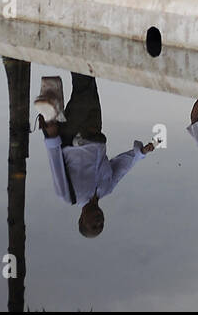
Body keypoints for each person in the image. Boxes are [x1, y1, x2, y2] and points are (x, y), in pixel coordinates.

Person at [37, 73, 154, 237]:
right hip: (96, 130)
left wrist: (51, 135)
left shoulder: (69, 195)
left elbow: (55, 162)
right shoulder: (106, 189)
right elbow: (121, 168)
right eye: (101, 224)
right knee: (89, 83)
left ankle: (76, 51)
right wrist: (140, 153)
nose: (99, 221)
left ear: (81, 220)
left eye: (94, 225)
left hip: (74, 134)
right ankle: (79, 53)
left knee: (84, 86)